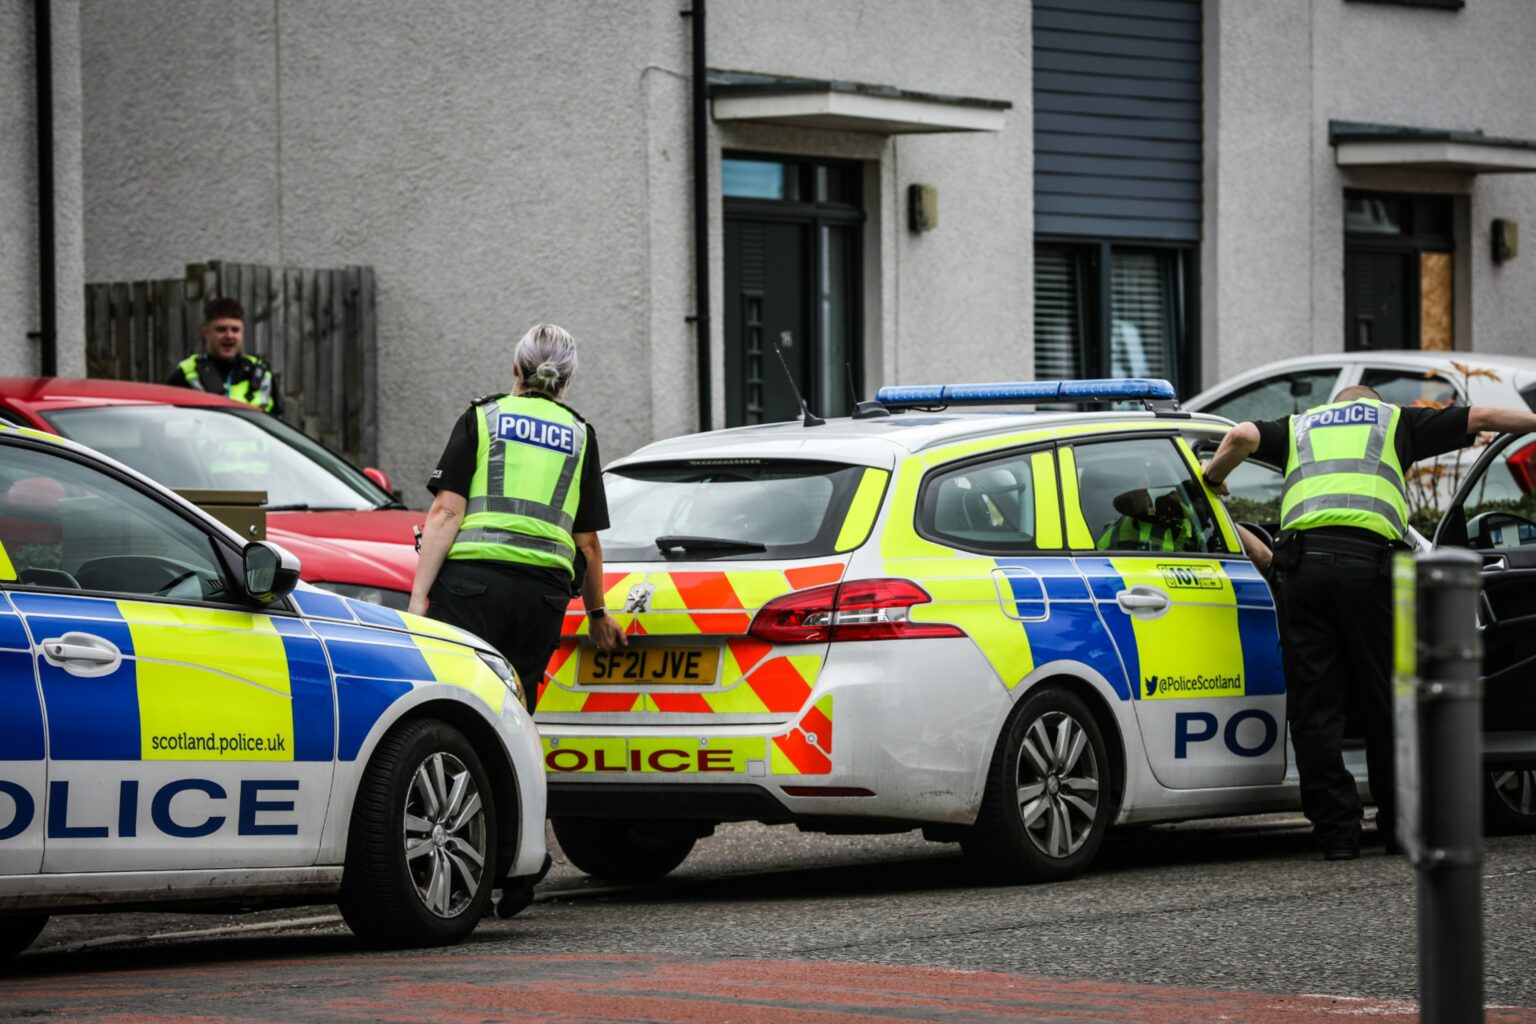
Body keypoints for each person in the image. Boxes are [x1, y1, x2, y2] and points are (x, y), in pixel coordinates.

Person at [1201, 384, 1536, 860]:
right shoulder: (1392, 421)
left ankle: (1337, 835)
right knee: (1388, 699)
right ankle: (1400, 828)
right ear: (1370, 403)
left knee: (1314, 707)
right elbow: (1482, 416)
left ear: (1335, 404)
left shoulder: (1301, 426)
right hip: (1371, 571)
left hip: (1304, 572)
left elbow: (1239, 435)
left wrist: (1212, 480)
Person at [409, 323, 626, 713]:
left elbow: (446, 513)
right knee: (515, 706)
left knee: (455, 699)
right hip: (541, 597)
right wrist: (596, 614)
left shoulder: (483, 418)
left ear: (515, 368)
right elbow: (588, 544)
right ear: (568, 378)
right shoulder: (580, 435)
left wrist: (418, 598)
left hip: (470, 588)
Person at [167, 297, 281, 414]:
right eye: (221, 330)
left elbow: (278, 421)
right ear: (205, 333)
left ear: (243, 333)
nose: (229, 336)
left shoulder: (261, 374)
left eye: (235, 330)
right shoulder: (186, 375)